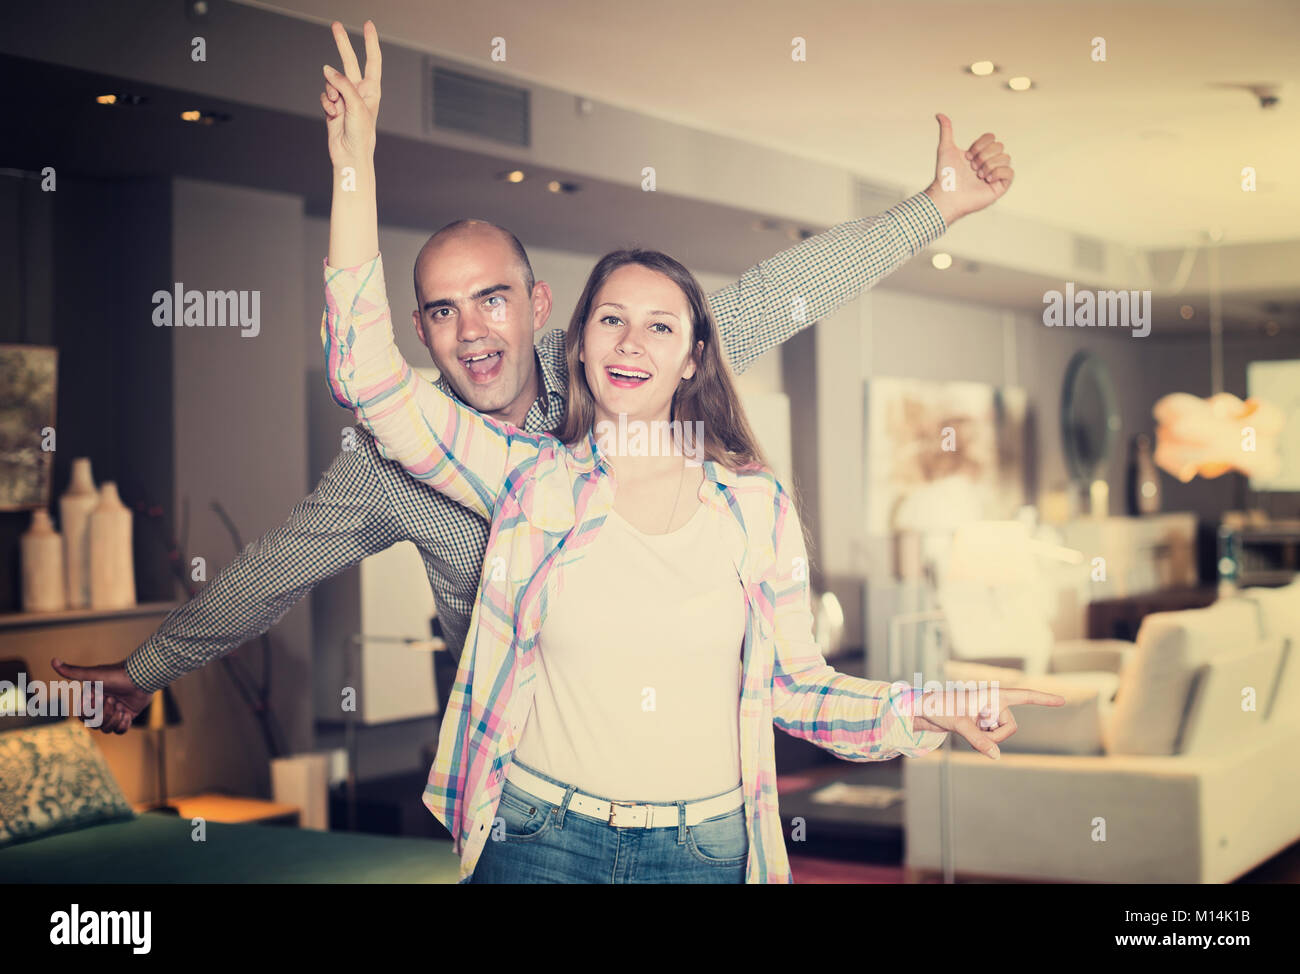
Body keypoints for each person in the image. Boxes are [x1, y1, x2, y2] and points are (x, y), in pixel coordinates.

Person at [53, 20, 1018, 737]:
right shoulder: (402, 459)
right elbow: (272, 571)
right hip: (519, 759)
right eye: (440, 310)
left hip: (668, 737)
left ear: (540, 303)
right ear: (423, 330)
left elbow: (777, 294)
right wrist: (145, 671)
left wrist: (935, 207)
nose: (471, 331)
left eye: (491, 300)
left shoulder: (610, 380)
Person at [316, 26, 1064, 883]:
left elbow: (800, 690)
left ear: (694, 356)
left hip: (707, 850)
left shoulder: (755, 508)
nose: (631, 340)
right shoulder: (528, 481)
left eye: (659, 325)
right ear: (582, 348)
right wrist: (354, 163)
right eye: (610, 320)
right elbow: (365, 374)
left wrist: (935, 705)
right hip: (538, 841)